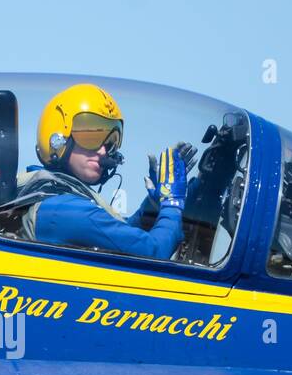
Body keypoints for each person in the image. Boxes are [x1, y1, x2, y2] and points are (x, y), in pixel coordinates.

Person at [18, 83, 195, 260]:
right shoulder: (68, 211)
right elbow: (154, 253)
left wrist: (152, 207)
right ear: (58, 138)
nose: (103, 151)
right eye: (91, 136)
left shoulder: (56, 201)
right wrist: (172, 204)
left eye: (110, 140)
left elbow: (116, 234)